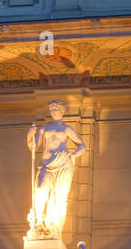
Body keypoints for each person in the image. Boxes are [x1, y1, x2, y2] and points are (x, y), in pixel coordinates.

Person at [26, 100, 87, 238]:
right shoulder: (44, 128)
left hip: (63, 164)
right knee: (40, 191)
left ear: (62, 111)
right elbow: (34, 148)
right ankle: (39, 224)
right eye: (52, 110)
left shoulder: (66, 129)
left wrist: (72, 156)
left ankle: (55, 228)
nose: (53, 112)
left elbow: (82, 146)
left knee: (60, 197)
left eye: (56, 109)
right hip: (47, 165)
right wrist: (29, 135)